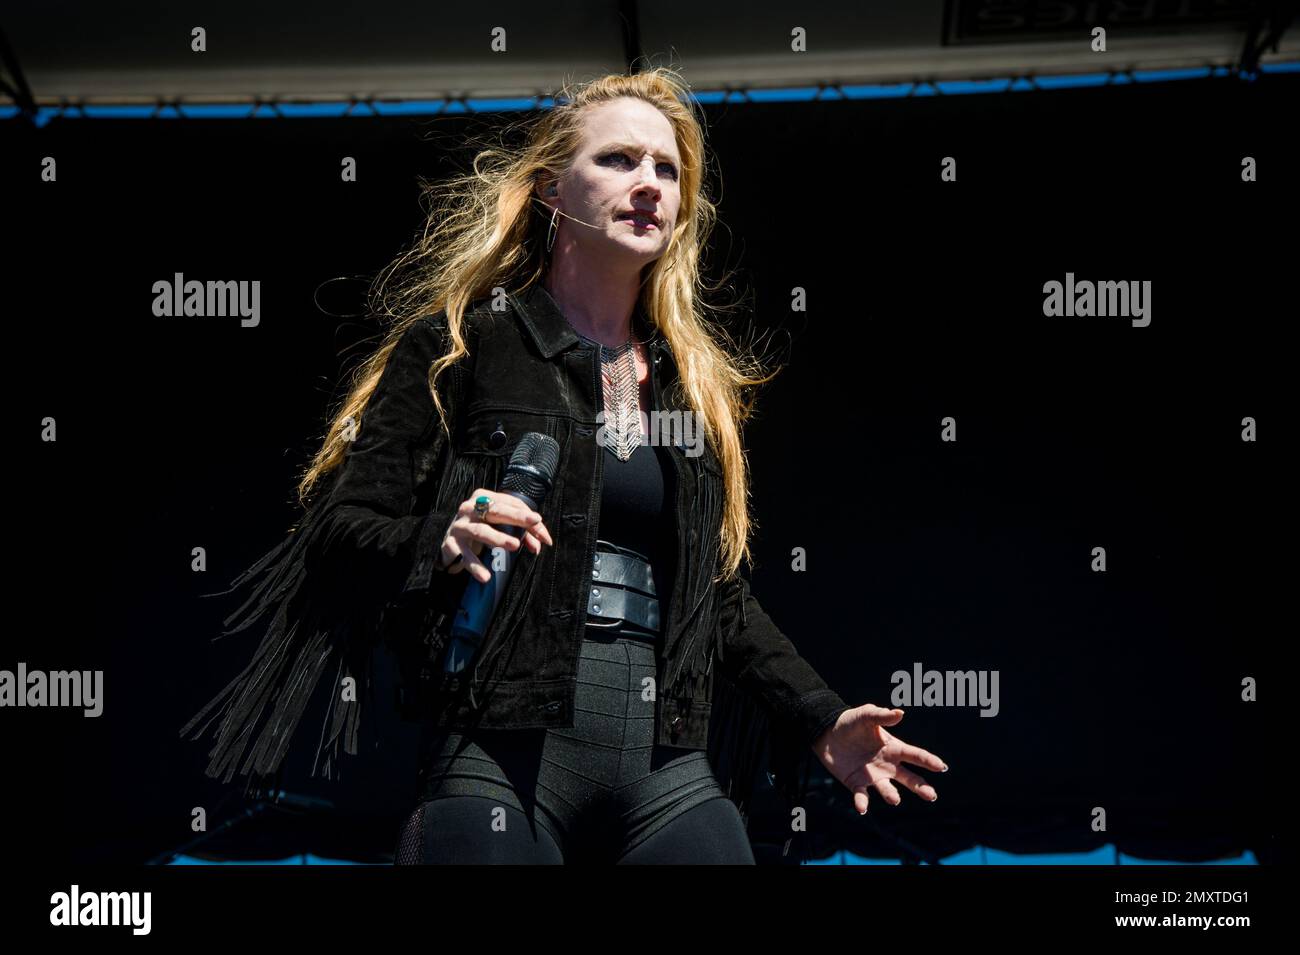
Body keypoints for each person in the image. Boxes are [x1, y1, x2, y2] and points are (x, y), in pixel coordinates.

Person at [182, 66, 947, 865]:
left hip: (663, 763)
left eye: (668, 169)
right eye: (618, 160)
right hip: (499, 753)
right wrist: (444, 537)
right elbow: (341, 532)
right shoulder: (463, 346)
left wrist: (819, 716)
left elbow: (713, 597)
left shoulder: (691, 389)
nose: (648, 183)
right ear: (551, 189)